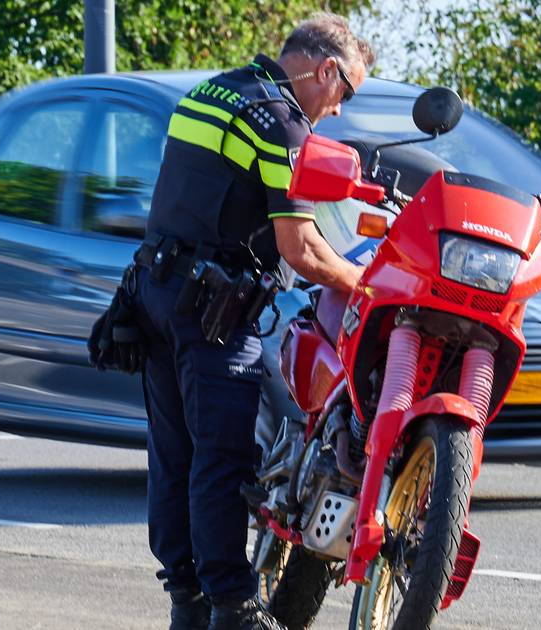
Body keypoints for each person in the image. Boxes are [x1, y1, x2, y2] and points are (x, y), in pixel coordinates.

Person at [130, 12, 373, 630]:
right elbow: (302, 248)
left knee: (174, 456)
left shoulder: (210, 91)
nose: (338, 110)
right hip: (213, 312)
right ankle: (233, 607)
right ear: (326, 70)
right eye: (346, 93)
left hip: (155, 293)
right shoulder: (281, 122)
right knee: (221, 457)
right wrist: (367, 286)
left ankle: (186, 601)